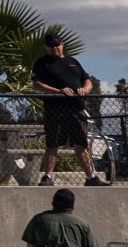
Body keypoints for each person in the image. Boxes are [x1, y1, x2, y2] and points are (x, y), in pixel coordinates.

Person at [32, 29, 97, 186]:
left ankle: (91, 177)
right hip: (55, 109)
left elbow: (87, 80)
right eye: (51, 46)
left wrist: (85, 89)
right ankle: (48, 177)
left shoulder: (73, 61)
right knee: (52, 143)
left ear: (62, 45)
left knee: (81, 143)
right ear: (46, 47)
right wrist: (58, 91)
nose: (54, 48)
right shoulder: (42, 63)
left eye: (57, 45)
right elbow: (36, 84)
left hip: (76, 108)